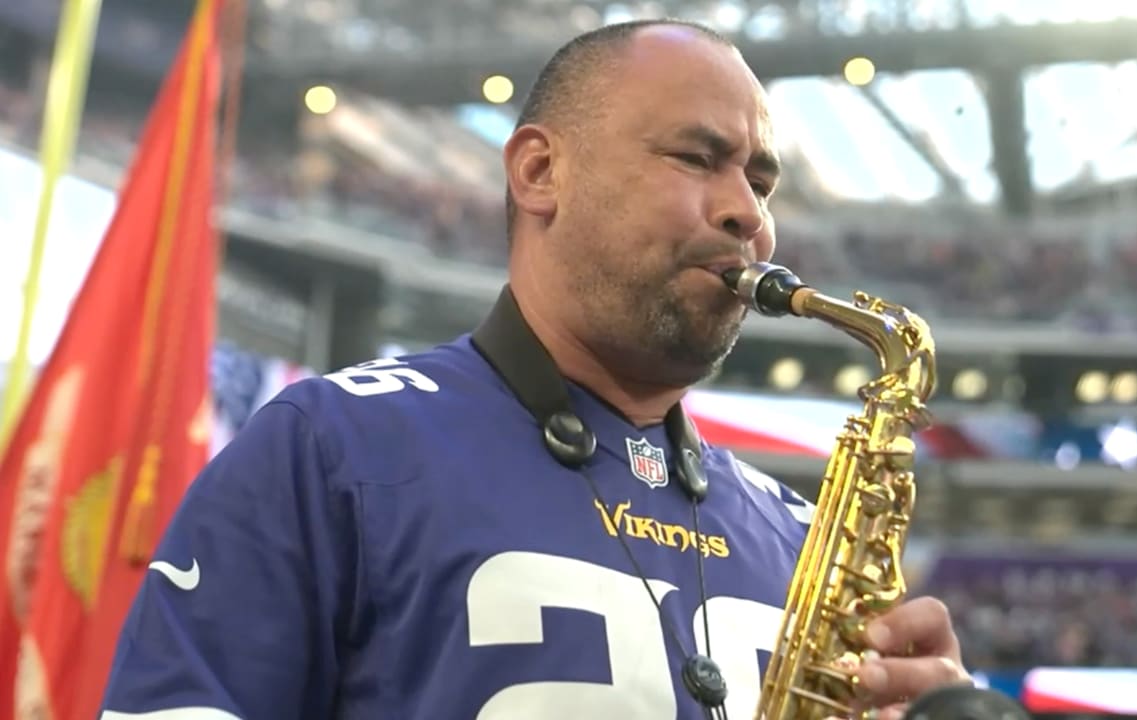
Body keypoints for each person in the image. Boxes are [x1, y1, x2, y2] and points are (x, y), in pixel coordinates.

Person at [98, 18, 971, 720]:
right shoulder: (331, 446)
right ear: (540, 171)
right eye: (698, 158)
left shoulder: (798, 538)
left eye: (763, 181)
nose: (749, 214)